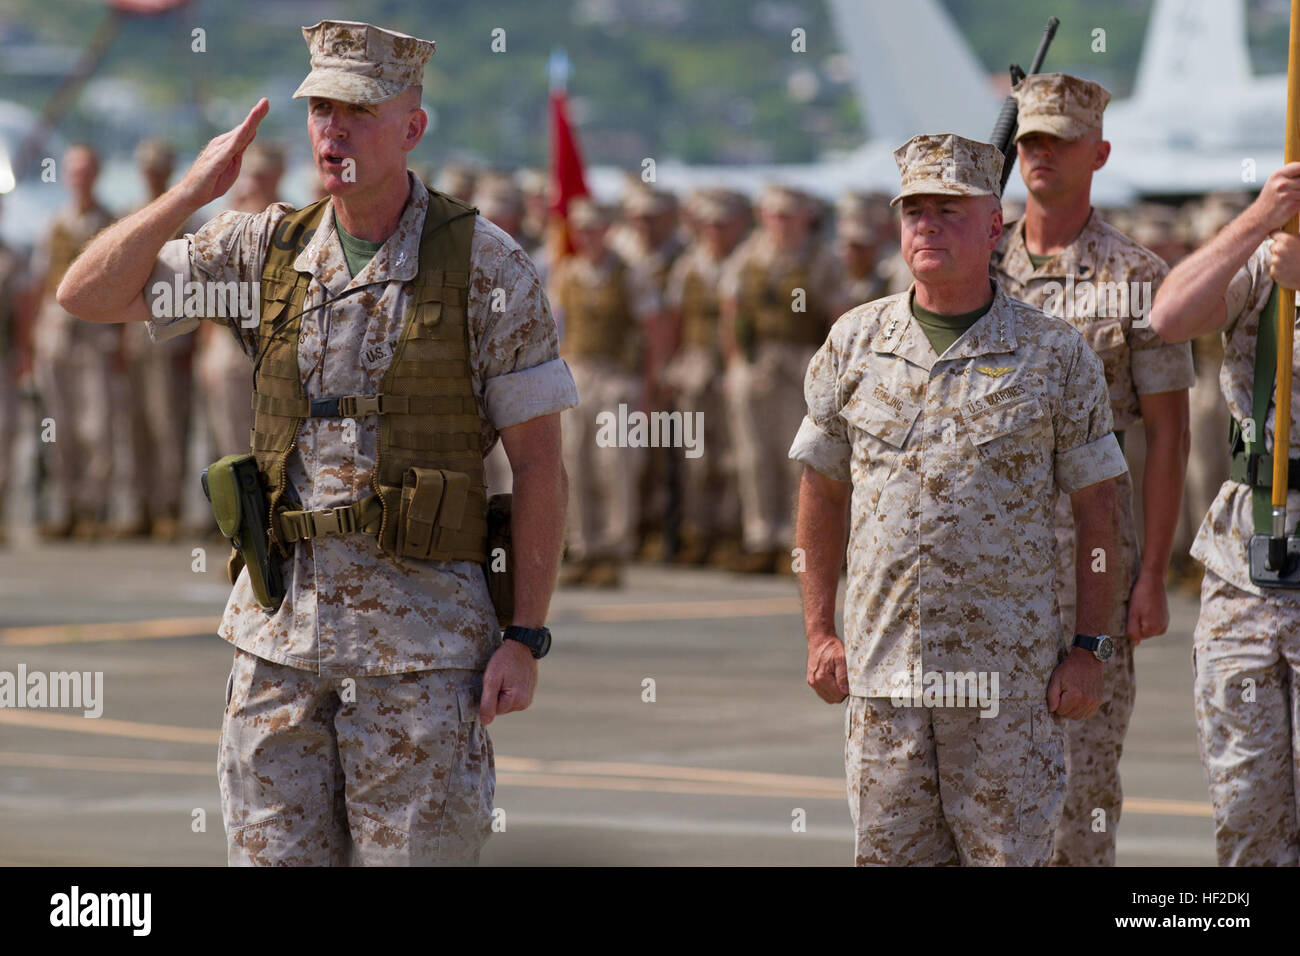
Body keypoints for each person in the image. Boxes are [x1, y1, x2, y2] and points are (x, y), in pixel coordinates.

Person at [58, 19, 576, 866]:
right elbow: (87, 294)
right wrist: (191, 192)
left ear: (411, 126)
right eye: (322, 108)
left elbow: (541, 466)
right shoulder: (264, 248)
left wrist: (525, 636)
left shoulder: (487, 266)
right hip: (277, 650)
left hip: (423, 660)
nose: (334, 130)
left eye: (360, 110)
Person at [791, 133, 1126, 866]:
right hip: (885, 686)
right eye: (914, 212)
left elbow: (1099, 514)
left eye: (949, 210)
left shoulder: (1055, 353)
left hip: (1005, 691)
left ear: (992, 227)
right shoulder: (855, 342)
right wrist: (820, 630)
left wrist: (1091, 648)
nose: (928, 226)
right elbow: (821, 491)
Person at [989, 72, 1195, 866]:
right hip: (988, 560)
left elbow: (1170, 434)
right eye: (1030, 142)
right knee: (986, 778)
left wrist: (1152, 578)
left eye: (1061, 142)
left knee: (1083, 786)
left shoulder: (1137, 277)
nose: (1042, 156)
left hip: (1094, 561)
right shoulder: (980, 267)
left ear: (1099, 152)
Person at [1148, 162, 1300, 865]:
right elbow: (1170, 315)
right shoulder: (1268, 261)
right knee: (1245, 805)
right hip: (1248, 558)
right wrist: (1258, 220)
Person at [722, 184, 842, 574]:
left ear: (806, 218)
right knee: (753, 455)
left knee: (796, 456)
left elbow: (838, 320)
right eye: (775, 215)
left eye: (790, 216)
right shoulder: (749, 256)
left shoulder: (822, 259)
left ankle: (796, 543)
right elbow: (732, 311)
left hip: (801, 366)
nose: (782, 224)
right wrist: (736, 364)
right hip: (758, 365)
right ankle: (760, 537)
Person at [552, 197, 656, 587]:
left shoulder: (630, 274)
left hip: (618, 378)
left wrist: (649, 388)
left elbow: (652, 333)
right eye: (581, 229)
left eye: (595, 229)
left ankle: (614, 548)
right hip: (577, 374)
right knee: (574, 461)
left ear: (607, 231)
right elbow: (556, 328)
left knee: (614, 464)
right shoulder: (567, 273)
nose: (588, 236)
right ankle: (583, 545)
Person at [32, 144, 117, 540]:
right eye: (73, 170)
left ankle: (92, 508)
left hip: (95, 337)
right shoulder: (54, 225)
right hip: (56, 336)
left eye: (86, 170)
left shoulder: (110, 223)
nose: (79, 177)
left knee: (96, 426)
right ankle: (64, 506)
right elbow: (36, 285)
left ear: (96, 174)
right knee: (58, 426)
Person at [661, 189, 748, 565]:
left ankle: (730, 533)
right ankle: (696, 530)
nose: (715, 230)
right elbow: (673, 322)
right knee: (694, 457)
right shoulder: (688, 267)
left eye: (723, 223)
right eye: (709, 223)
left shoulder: (747, 263)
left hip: (732, 368)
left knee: (733, 457)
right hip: (695, 368)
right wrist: (669, 368)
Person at [118, 138, 196, 540]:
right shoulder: (130, 217)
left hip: (174, 341)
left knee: (169, 427)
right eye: (148, 166)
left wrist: (197, 347)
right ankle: (140, 507)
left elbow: (205, 292)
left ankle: (169, 508)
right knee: (135, 427)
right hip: (134, 341)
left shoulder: (191, 221)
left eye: (160, 166)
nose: (153, 173)